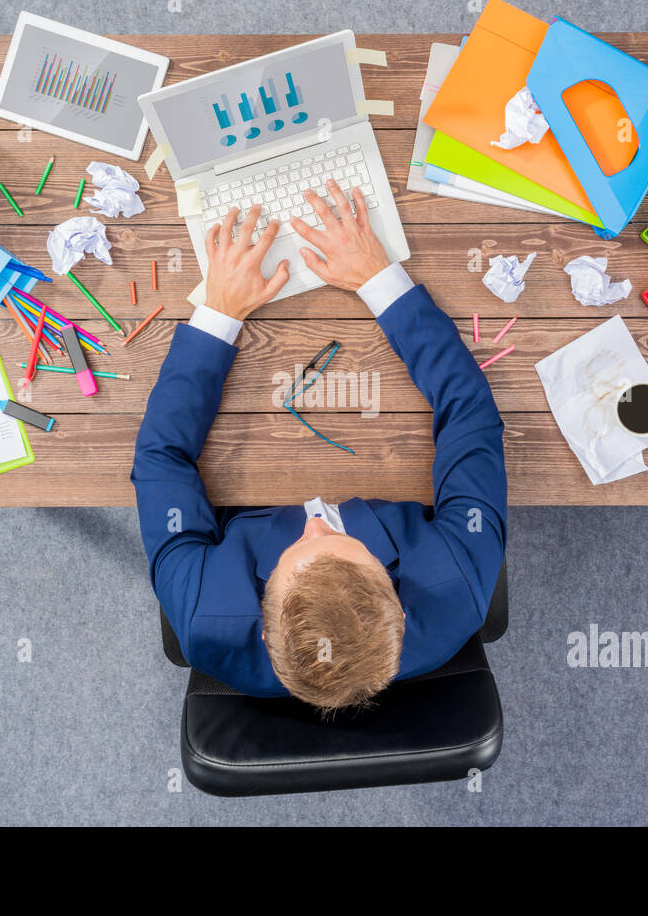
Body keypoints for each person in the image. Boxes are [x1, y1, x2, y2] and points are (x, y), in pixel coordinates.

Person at [132, 179, 506, 711]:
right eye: (346, 541)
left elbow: (160, 458)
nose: (315, 521)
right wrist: (381, 281)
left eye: (298, 549)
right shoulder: (458, 583)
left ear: (262, 628)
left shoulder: (202, 615)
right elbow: (470, 414)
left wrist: (218, 313)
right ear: (401, 607)